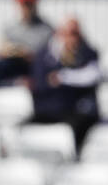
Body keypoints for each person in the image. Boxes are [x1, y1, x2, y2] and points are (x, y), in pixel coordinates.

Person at [29, 17, 101, 153]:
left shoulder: (87, 54)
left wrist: (62, 78)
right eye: (68, 34)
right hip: (47, 110)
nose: (72, 39)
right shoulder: (44, 55)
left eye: (75, 34)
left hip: (74, 111)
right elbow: (40, 85)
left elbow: (90, 79)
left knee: (79, 126)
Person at [0, 0, 53, 82]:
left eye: (29, 3)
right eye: (23, 3)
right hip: (12, 74)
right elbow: (0, 52)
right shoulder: (10, 28)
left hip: (34, 76)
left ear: (35, 3)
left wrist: (26, 54)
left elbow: (48, 59)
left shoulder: (46, 30)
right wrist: (6, 52)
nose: (26, 7)